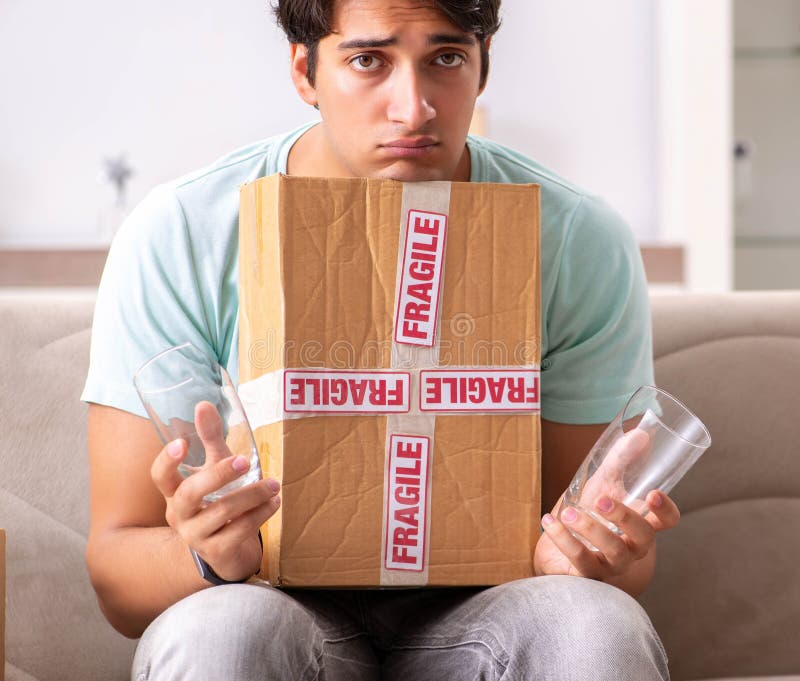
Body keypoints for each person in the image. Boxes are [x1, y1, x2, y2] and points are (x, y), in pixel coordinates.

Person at [82, 1, 679, 679]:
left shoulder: (573, 239)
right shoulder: (183, 234)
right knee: (219, 631)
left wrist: (591, 552)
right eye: (369, 60)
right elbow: (117, 566)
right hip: (276, 607)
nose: (414, 108)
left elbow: (606, 554)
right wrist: (204, 553)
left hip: (488, 612)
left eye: (446, 59)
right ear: (304, 71)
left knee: (593, 625)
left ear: (483, 67)